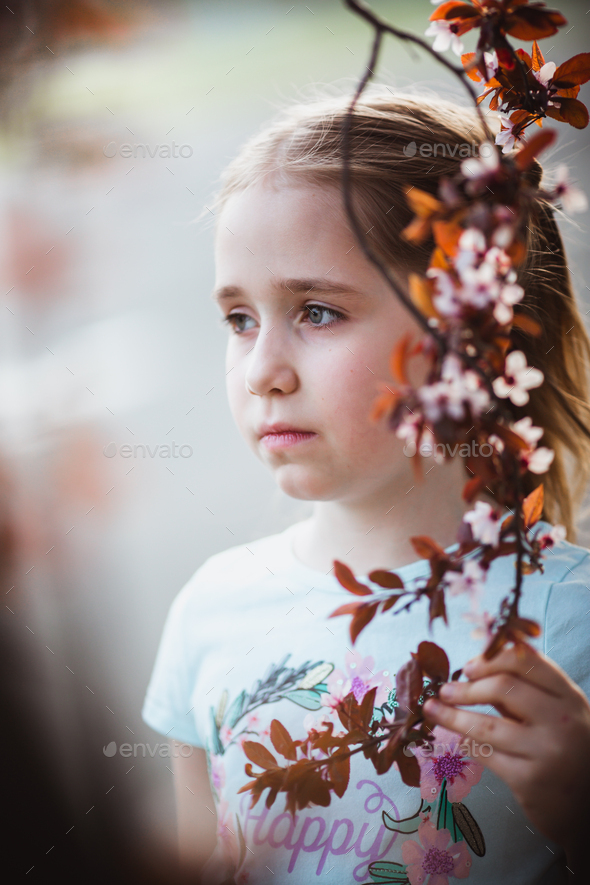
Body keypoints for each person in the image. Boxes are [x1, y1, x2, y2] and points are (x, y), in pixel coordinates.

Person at [141, 86, 590, 884]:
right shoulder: (210, 610)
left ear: (471, 331)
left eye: (316, 311)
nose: (262, 372)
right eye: (239, 319)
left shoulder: (573, 627)